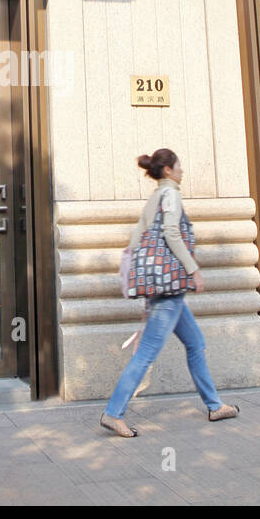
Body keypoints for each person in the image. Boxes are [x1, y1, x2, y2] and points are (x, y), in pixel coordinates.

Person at [101, 148, 239, 437]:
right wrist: (193, 270)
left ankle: (215, 405)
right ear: (168, 170)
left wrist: (147, 277)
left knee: (195, 343)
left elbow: (137, 240)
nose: (183, 171)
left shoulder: (154, 198)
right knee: (147, 353)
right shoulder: (171, 195)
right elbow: (172, 234)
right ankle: (114, 413)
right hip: (170, 288)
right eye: (179, 166)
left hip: (160, 286)